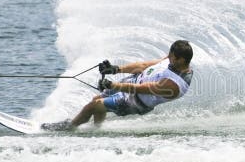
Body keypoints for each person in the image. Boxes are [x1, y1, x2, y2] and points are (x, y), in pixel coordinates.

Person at [43, 40, 193, 131]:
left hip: (135, 101)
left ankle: (70, 127)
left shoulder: (174, 85)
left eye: (171, 56)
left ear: (180, 60)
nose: (168, 57)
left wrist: (113, 85)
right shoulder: (173, 60)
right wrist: (115, 69)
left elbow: (142, 89)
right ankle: (96, 130)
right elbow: (144, 65)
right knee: (96, 99)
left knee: (94, 106)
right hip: (132, 82)